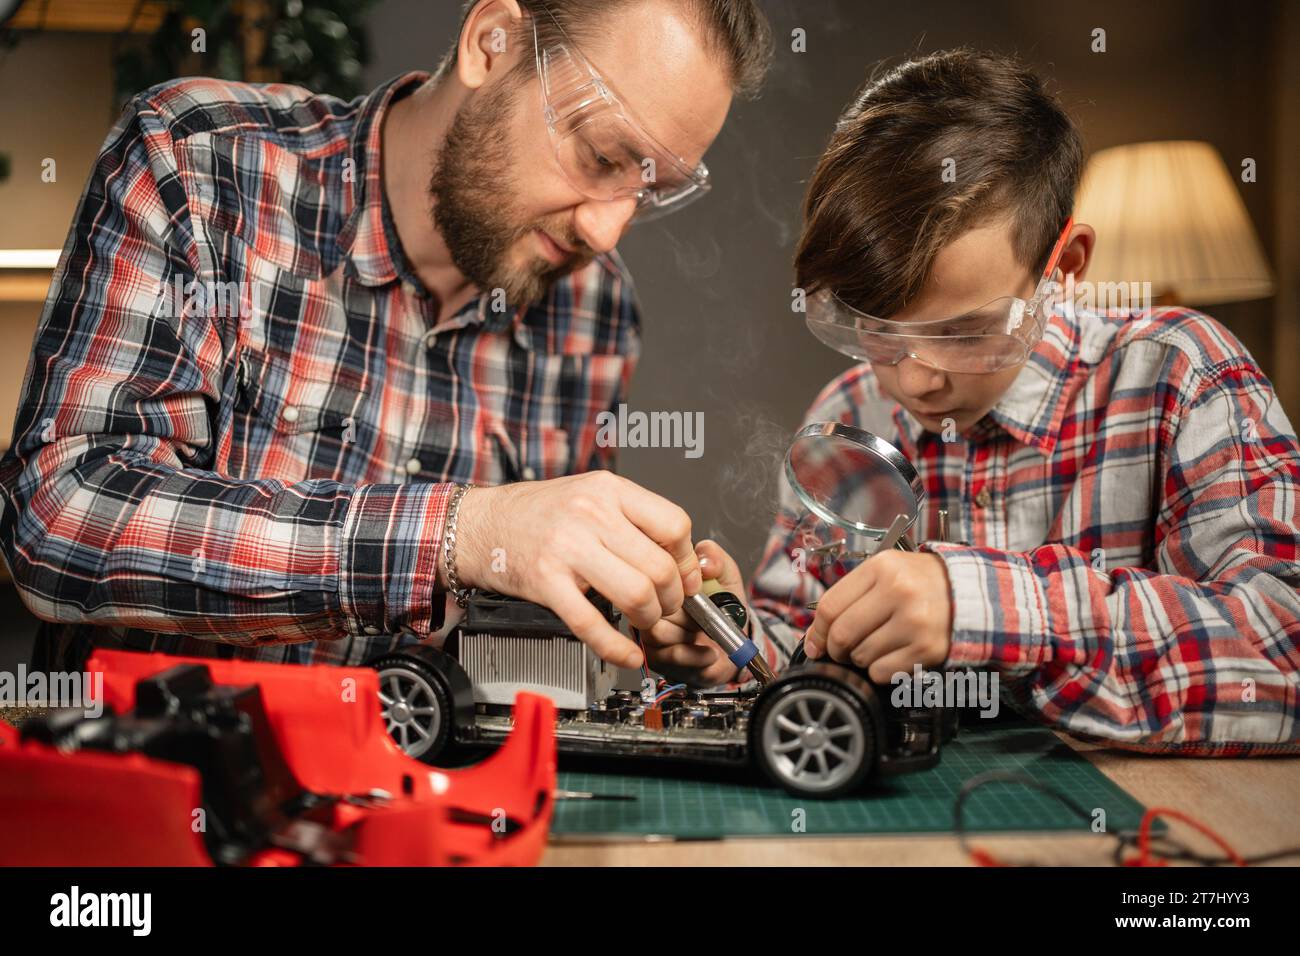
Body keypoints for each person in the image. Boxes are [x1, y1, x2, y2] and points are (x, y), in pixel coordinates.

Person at [0, 0, 772, 670]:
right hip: (160, 808)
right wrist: (456, 532)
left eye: (649, 187)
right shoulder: (202, 161)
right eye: (601, 156)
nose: (608, 231)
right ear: (491, 41)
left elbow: (515, 641)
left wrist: (638, 609)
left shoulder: (592, 308)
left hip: (430, 817)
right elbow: (59, 519)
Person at [644, 50, 1300, 753]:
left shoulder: (1179, 376)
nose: (918, 380)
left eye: (962, 332)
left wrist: (981, 605)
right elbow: (809, 643)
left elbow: (1280, 653)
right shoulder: (854, 415)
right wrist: (736, 645)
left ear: (1067, 267)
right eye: (880, 331)